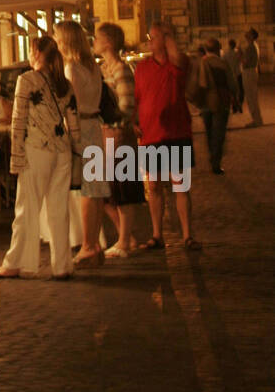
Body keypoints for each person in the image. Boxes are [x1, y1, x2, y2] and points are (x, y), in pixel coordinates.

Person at [0, 35, 78, 280]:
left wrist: (16, 156)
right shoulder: (64, 83)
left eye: (31, 50)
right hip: (62, 150)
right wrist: (76, 147)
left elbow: (18, 121)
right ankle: (62, 265)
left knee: (27, 208)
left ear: (37, 53)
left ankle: (17, 262)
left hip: (36, 149)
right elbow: (74, 121)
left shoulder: (27, 80)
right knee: (59, 210)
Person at [135, 22, 200, 250]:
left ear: (166, 39)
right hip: (151, 135)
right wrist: (135, 122)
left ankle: (187, 235)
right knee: (154, 187)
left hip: (176, 132)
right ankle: (156, 235)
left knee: (180, 185)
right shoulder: (142, 68)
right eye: (150, 37)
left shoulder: (177, 64)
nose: (149, 41)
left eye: (154, 37)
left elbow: (178, 58)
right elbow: (137, 99)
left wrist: (168, 36)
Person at [55, 22, 105, 268]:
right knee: (95, 188)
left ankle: (87, 245)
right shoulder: (93, 66)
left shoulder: (71, 68)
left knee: (86, 189)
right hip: (94, 125)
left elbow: (69, 103)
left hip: (81, 128)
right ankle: (94, 243)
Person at [95, 22, 144, 257]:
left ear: (108, 42)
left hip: (119, 134)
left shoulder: (121, 70)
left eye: (97, 38)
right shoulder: (103, 69)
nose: (93, 42)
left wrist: (105, 116)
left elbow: (126, 105)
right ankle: (127, 237)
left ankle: (124, 241)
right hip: (105, 134)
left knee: (122, 189)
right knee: (105, 192)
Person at [200, 39, 239, 175]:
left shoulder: (201, 63)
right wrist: (235, 97)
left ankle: (212, 155)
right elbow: (232, 84)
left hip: (205, 103)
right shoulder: (222, 64)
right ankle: (215, 162)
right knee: (218, 133)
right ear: (218, 49)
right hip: (221, 102)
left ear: (205, 49)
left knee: (209, 131)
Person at [240, 28, 263, 127]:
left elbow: (245, 63)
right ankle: (257, 120)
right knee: (252, 97)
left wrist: (240, 54)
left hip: (249, 72)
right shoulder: (254, 46)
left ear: (252, 36)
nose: (246, 33)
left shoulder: (250, 47)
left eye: (248, 33)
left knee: (251, 98)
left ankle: (256, 121)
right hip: (252, 71)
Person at [224, 39, 244, 110]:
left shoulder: (225, 54)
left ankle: (234, 106)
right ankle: (240, 104)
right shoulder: (237, 53)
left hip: (230, 74)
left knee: (232, 91)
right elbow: (242, 60)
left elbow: (224, 64)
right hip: (238, 73)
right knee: (240, 90)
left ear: (229, 45)